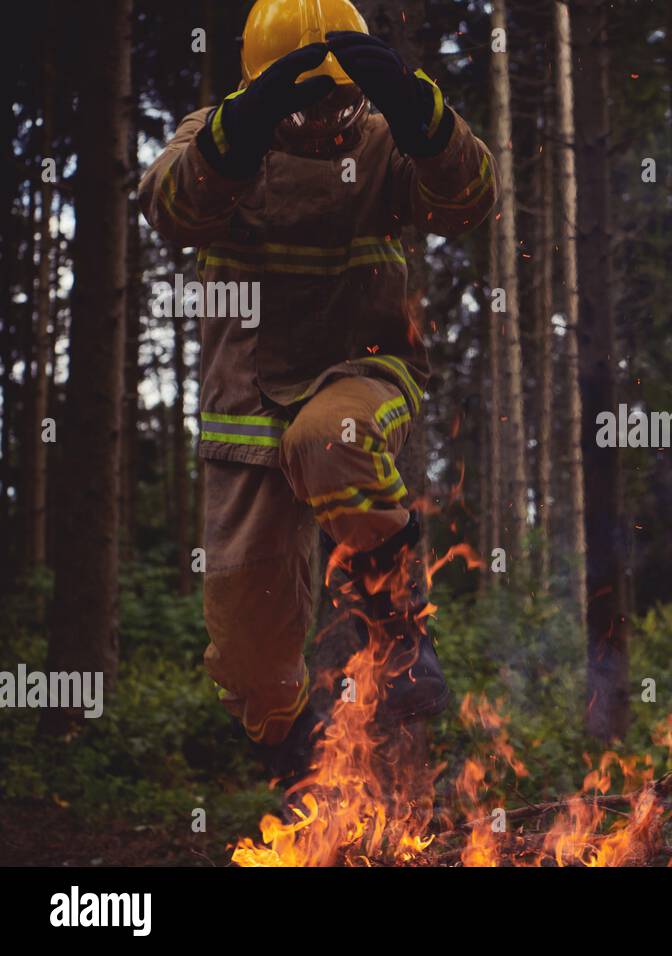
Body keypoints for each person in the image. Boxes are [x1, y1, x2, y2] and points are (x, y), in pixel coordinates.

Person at [138, 0, 497, 779]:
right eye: (306, 98)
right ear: (264, 88)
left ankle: (401, 636)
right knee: (250, 674)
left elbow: (470, 203)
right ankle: (310, 766)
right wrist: (236, 138)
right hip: (246, 416)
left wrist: (423, 117)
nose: (326, 114)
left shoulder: (385, 143)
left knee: (328, 441)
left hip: (362, 378)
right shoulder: (214, 136)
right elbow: (167, 206)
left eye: (340, 94)